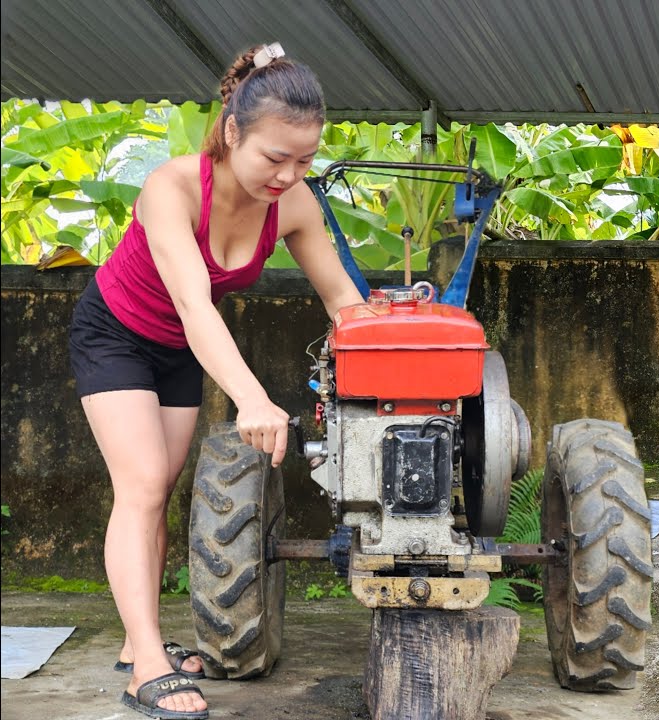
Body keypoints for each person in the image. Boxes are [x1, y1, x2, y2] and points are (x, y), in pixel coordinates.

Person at [68, 43, 365, 719]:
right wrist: (252, 397)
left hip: (177, 351)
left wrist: (387, 334)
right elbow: (196, 306)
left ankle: (132, 638)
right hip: (116, 335)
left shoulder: (292, 207)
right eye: (274, 157)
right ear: (233, 132)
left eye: (306, 160)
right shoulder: (171, 188)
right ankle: (147, 664)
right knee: (141, 484)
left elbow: (342, 301)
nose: (289, 175)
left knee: (161, 487)